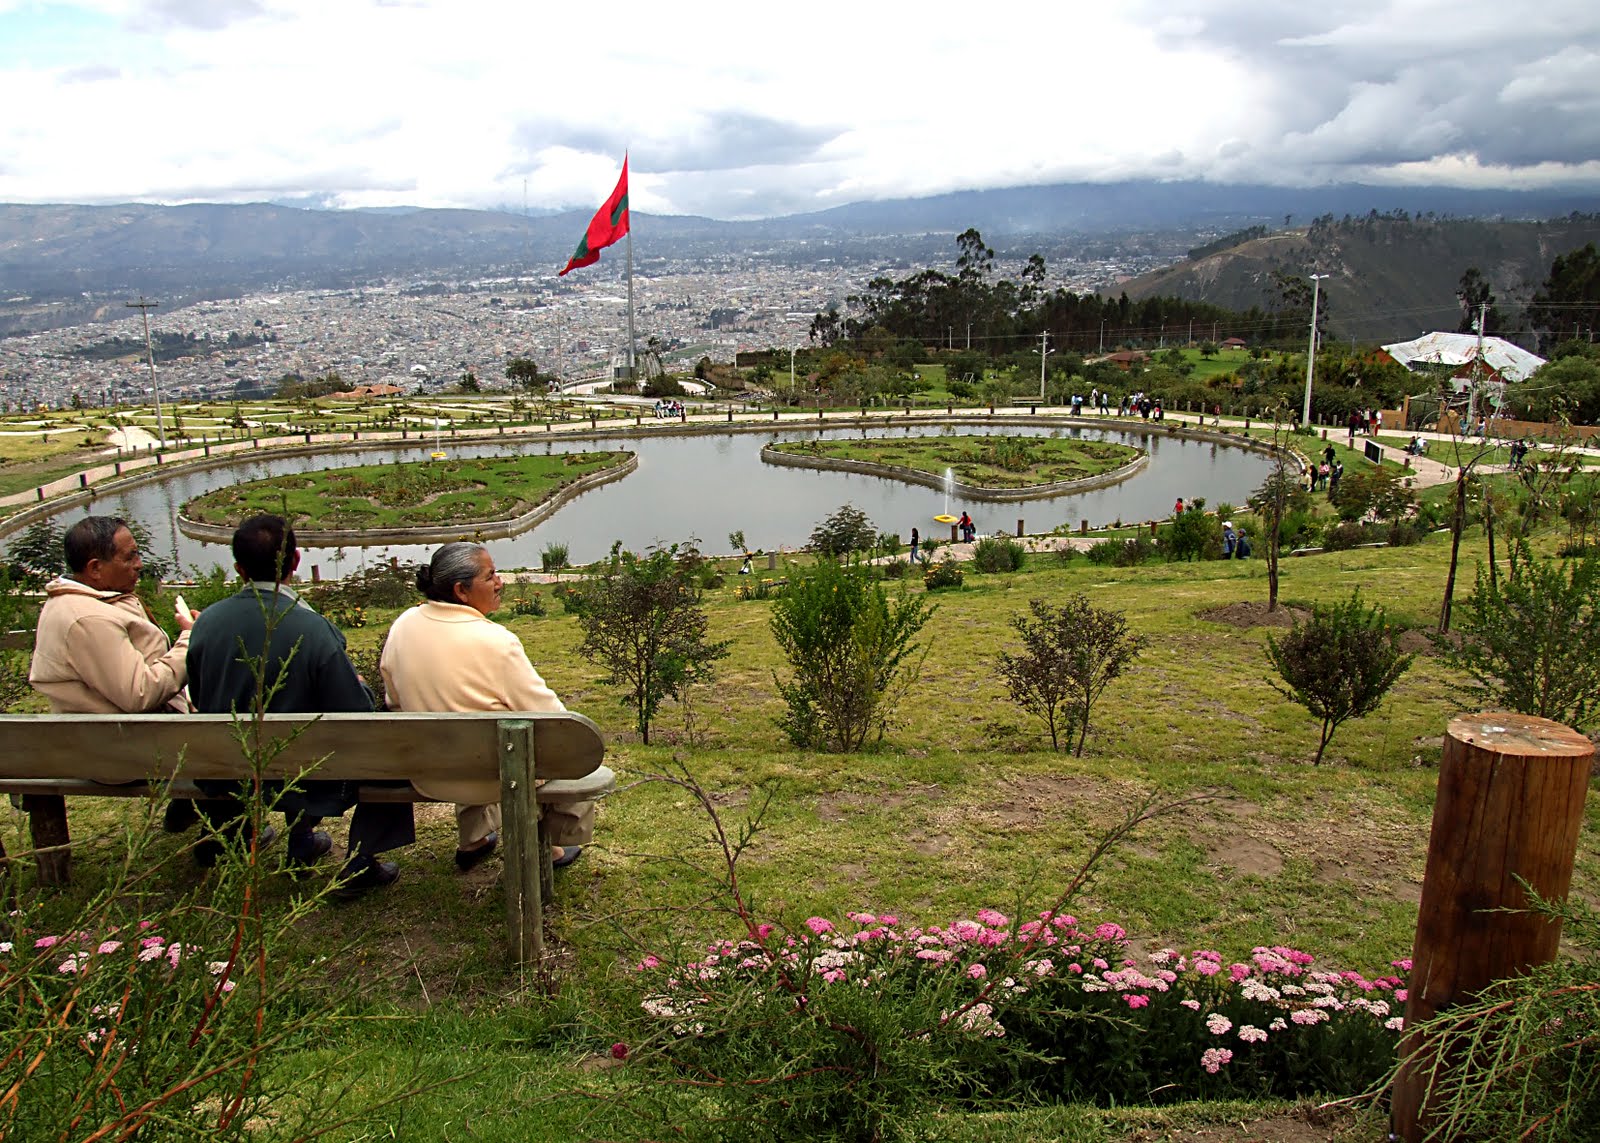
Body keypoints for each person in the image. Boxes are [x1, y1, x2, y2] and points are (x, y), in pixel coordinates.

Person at [187, 514, 414, 892]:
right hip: (308, 776)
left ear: (239, 569)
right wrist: (363, 687)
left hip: (227, 767)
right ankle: (358, 860)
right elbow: (355, 713)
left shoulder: (206, 623)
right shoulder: (311, 629)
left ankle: (293, 839)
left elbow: (200, 695)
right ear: (295, 561)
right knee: (378, 746)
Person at [381, 543, 595, 873]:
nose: (500, 582)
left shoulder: (403, 626)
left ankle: (474, 839)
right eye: (490, 575)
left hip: (429, 772)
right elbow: (554, 719)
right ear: (461, 591)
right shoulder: (495, 641)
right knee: (557, 744)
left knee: (465, 727)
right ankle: (552, 847)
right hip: (496, 778)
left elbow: (394, 702)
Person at [29, 515, 199, 831]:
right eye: (129, 556)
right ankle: (227, 832)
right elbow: (140, 694)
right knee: (230, 737)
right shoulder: (89, 619)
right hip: (117, 752)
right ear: (95, 568)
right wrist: (190, 640)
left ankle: (189, 805)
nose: (139, 564)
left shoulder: (84, 603)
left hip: (106, 738)